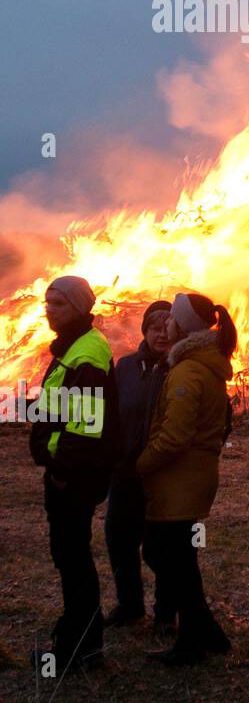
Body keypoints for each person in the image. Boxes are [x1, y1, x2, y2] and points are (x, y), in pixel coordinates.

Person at [137, 292, 235, 666]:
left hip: (180, 480)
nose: (165, 324)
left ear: (182, 326)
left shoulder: (188, 371)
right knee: (179, 559)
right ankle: (206, 632)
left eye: (171, 319)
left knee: (165, 554)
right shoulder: (199, 364)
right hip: (190, 479)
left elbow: (174, 436)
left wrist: (141, 464)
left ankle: (193, 641)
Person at [28, 275, 118, 675]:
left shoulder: (88, 352)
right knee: (70, 557)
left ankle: (76, 651)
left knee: (74, 559)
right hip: (69, 472)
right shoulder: (73, 346)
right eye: (47, 303)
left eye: (59, 303)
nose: (50, 310)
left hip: (74, 477)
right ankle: (82, 642)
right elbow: (59, 404)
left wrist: (62, 473)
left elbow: (85, 426)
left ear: (80, 308)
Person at [105, 300, 173, 629]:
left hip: (163, 472)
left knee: (161, 547)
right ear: (145, 330)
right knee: (119, 539)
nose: (161, 335)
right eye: (155, 328)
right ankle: (129, 605)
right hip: (124, 470)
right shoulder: (126, 366)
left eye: (167, 328)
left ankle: (166, 611)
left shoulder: (179, 367)